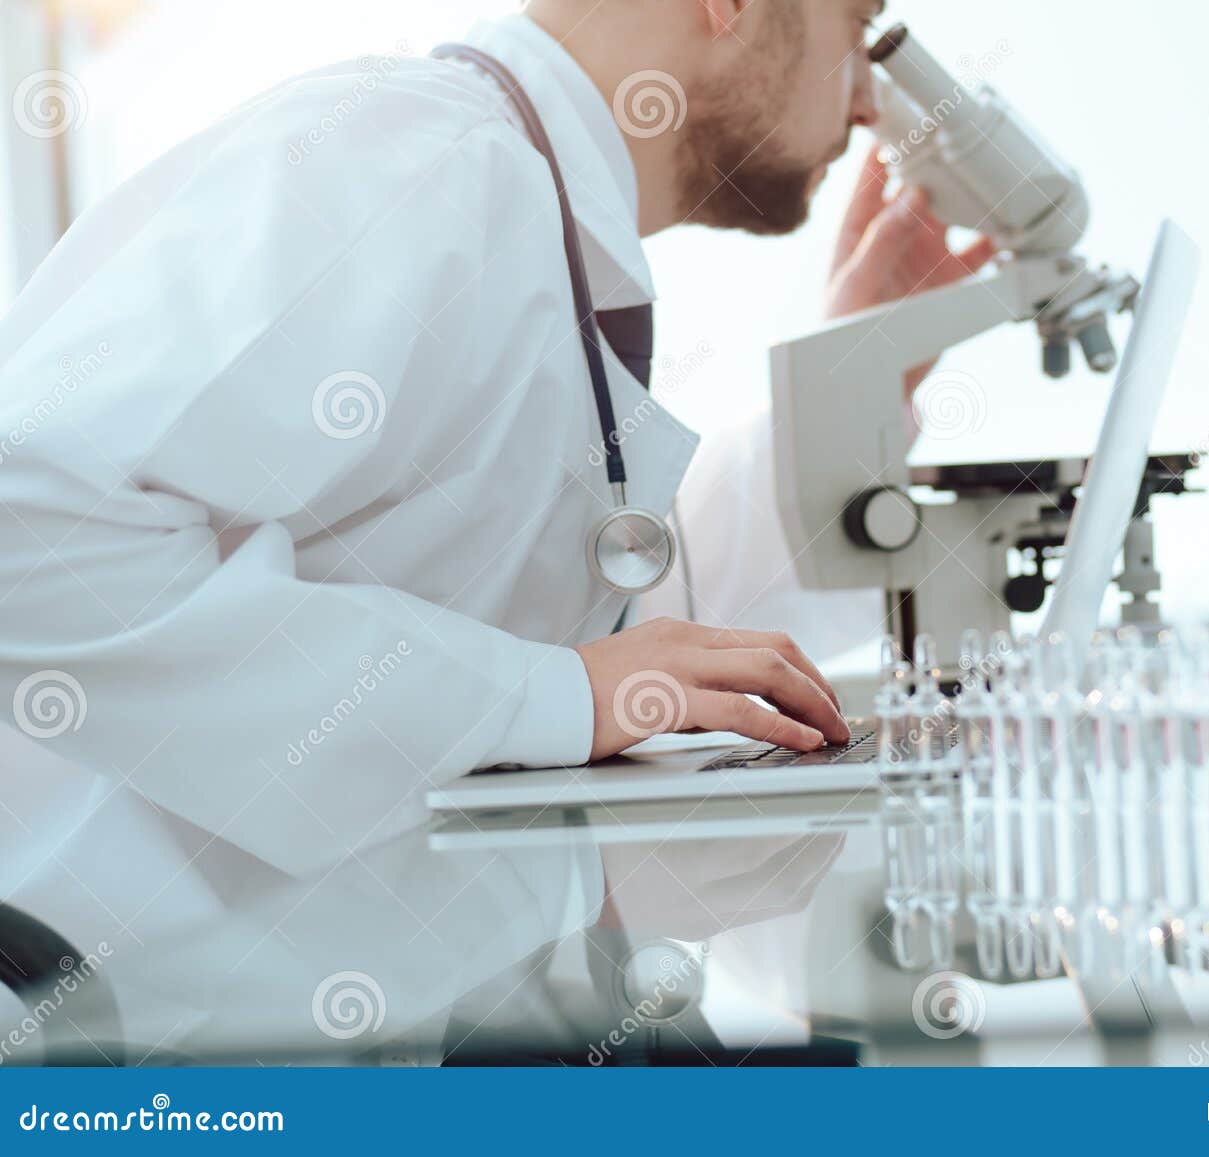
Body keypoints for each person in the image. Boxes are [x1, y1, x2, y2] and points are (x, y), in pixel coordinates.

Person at [0, 0, 994, 872]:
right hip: (142, 1054)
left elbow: (601, 631)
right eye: (858, 27)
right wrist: (550, 698)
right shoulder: (416, 160)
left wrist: (855, 378)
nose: (868, 102)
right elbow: (30, 536)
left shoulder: (533, 213)